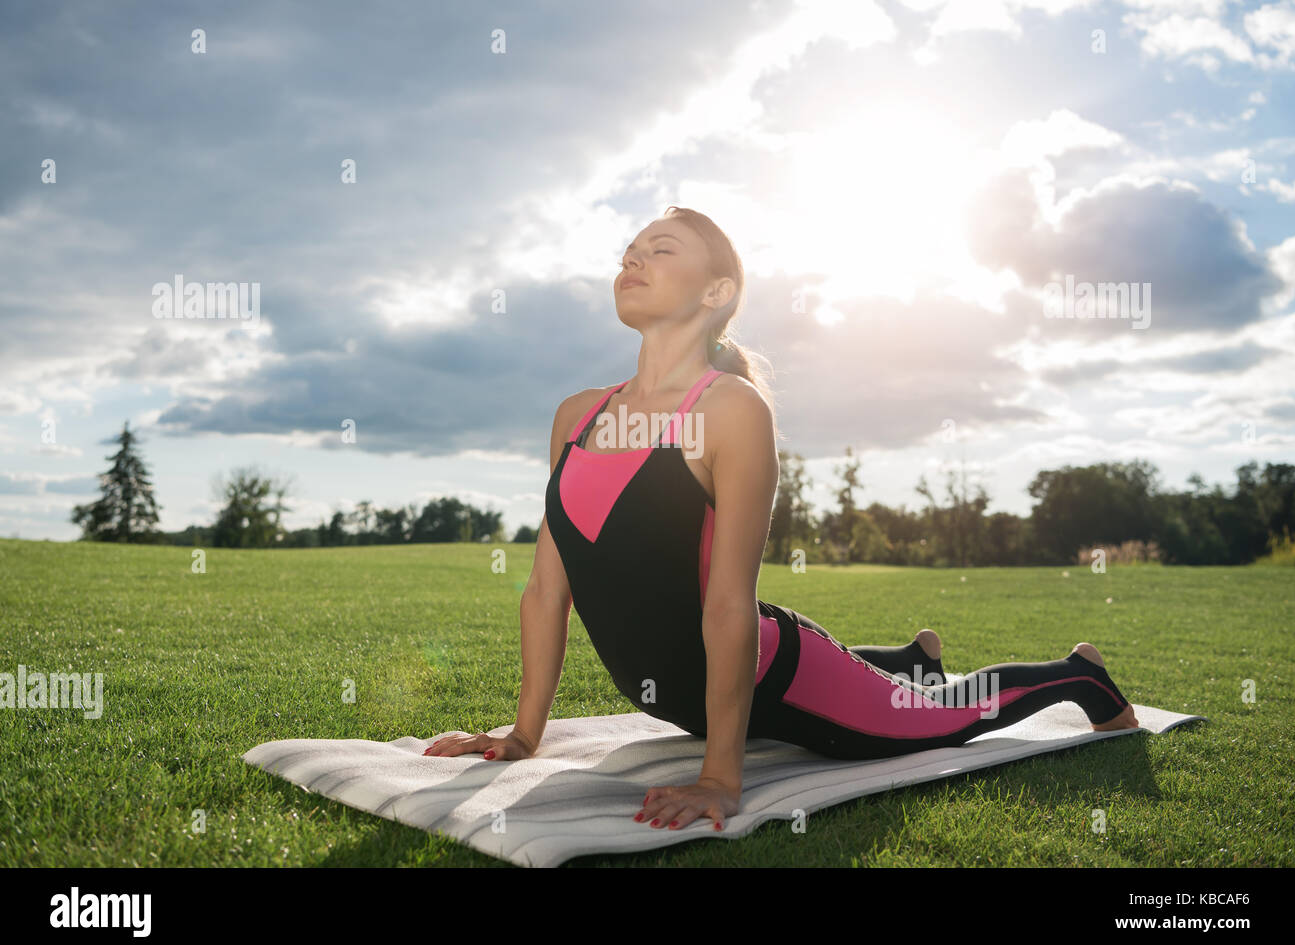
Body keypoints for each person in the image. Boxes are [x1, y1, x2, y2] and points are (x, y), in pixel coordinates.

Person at [423, 206, 1139, 834]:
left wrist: (720, 777)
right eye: (630, 248)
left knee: (946, 719)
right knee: (890, 684)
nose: (631, 257)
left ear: (716, 292)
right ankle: (911, 661)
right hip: (687, 693)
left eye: (660, 247)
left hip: (777, 674)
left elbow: (729, 601)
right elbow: (548, 589)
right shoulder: (578, 417)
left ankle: (1080, 676)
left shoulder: (730, 410)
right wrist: (523, 735)